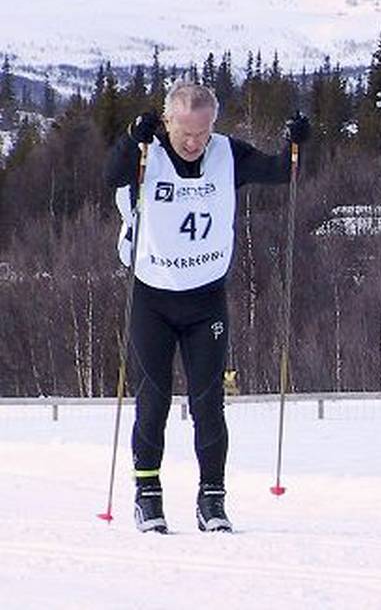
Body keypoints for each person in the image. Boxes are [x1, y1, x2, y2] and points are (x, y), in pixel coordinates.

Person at [103, 80, 310, 533]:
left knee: (208, 401)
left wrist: (295, 143)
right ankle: (147, 496)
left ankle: (212, 500)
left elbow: (281, 171)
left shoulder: (226, 154)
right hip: (153, 296)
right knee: (153, 398)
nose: (194, 143)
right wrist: (131, 138)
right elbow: (110, 175)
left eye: (202, 132)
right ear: (168, 122)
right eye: (184, 133)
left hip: (206, 297)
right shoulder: (147, 152)